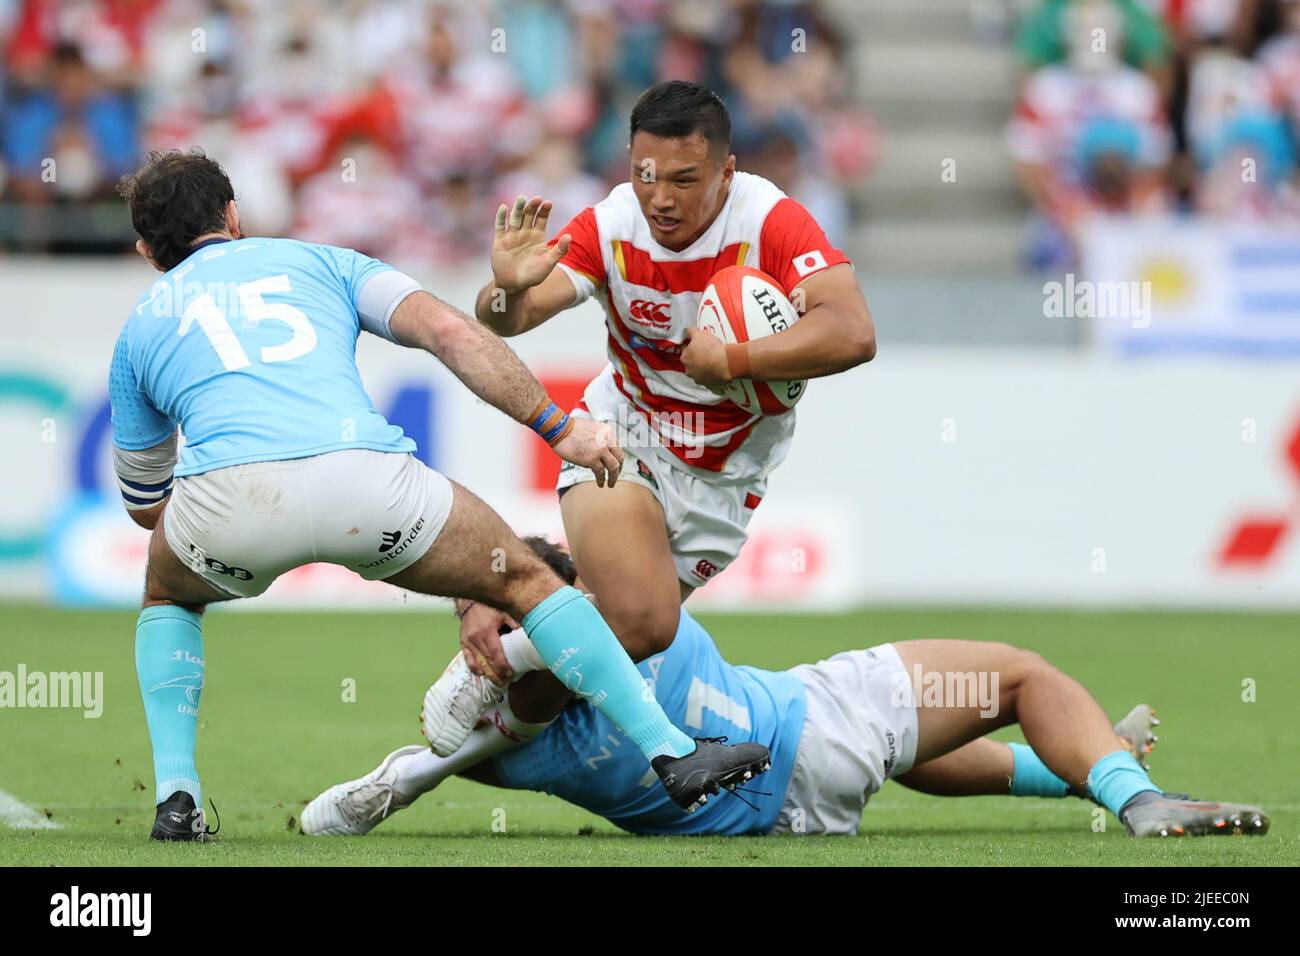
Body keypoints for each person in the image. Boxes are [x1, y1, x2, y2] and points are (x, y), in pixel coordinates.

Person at [111, 150, 771, 840]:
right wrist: (557, 426)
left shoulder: (137, 331)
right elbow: (452, 333)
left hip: (227, 505)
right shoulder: (324, 261)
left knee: (167, 594)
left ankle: (177, 800)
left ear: (148, 252)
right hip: (366, 483)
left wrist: (222, 534)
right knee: (526, 579)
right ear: (233, 216)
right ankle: (672, 750)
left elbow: (145, 503)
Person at [422, 80, 877, 757]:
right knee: (645, 621)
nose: (661, 198)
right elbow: (512, 317)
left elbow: (853, 333)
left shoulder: (771, 223)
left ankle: (490, 709)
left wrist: (736, 358)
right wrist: (503, 290)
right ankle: (491, 666)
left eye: (684, 179)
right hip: (621, 433)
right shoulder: (614, 225)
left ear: (727, 171)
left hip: (724, 473)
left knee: (610, 640)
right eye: (646, 176)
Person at [305, 539, 1270, 840]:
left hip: (784, 814)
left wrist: (412, 767)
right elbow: (567, 624)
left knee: (912, 755)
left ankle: (1084, 764)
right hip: (813, 722)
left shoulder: (510, 765)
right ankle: (1132, 797)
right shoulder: (627, 629)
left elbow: (464, 729)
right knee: (1020, 676)